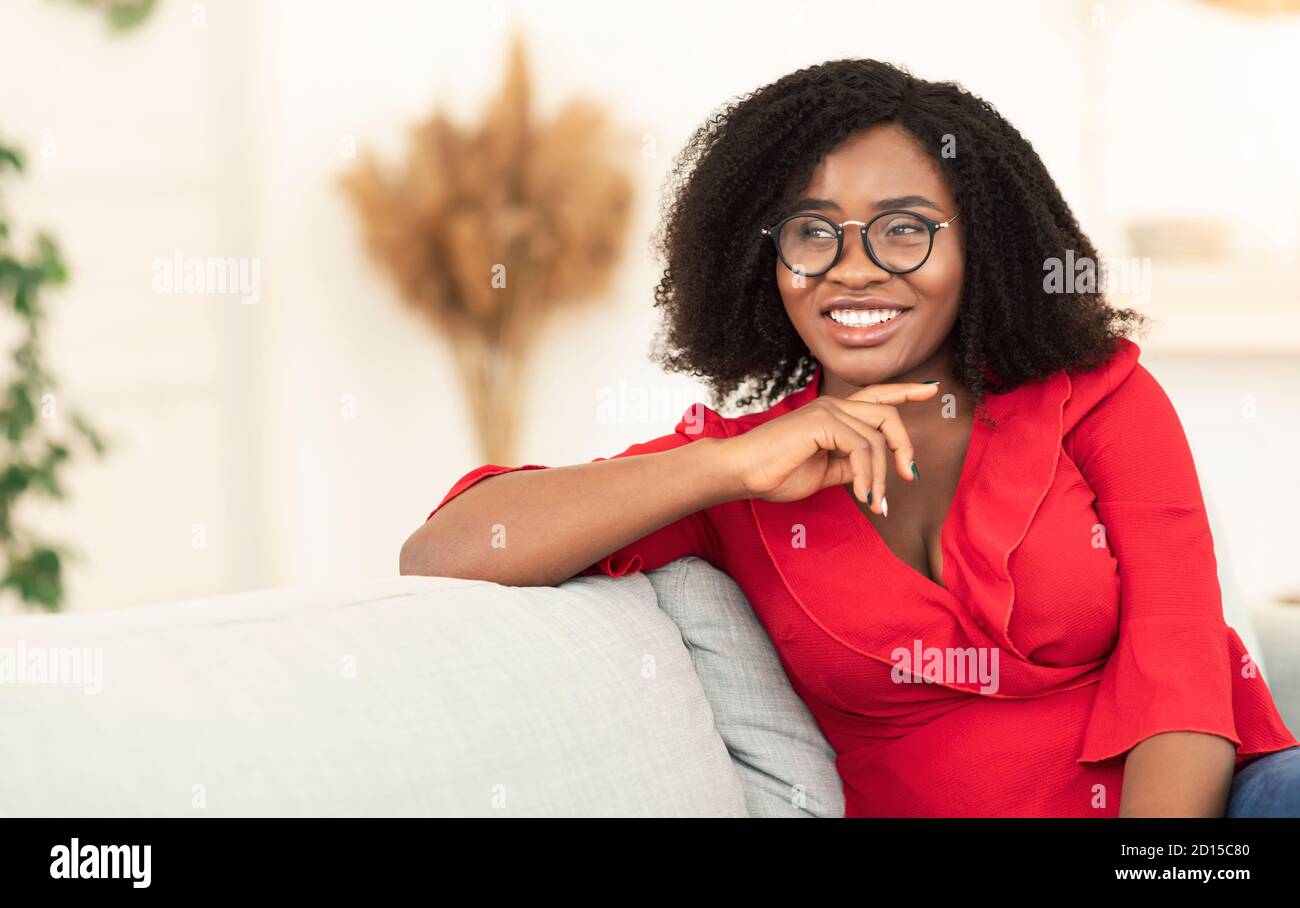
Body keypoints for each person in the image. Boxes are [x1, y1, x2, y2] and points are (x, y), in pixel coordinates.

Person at [401, 58, 1298, 817]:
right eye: (812, 232)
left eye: (905, 229)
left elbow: (1178, 670)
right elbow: (443, 551)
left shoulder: (1098, 398)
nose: (854, 266)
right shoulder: (744, 472)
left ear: (981, 248)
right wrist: (724, 466)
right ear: (765, 258)